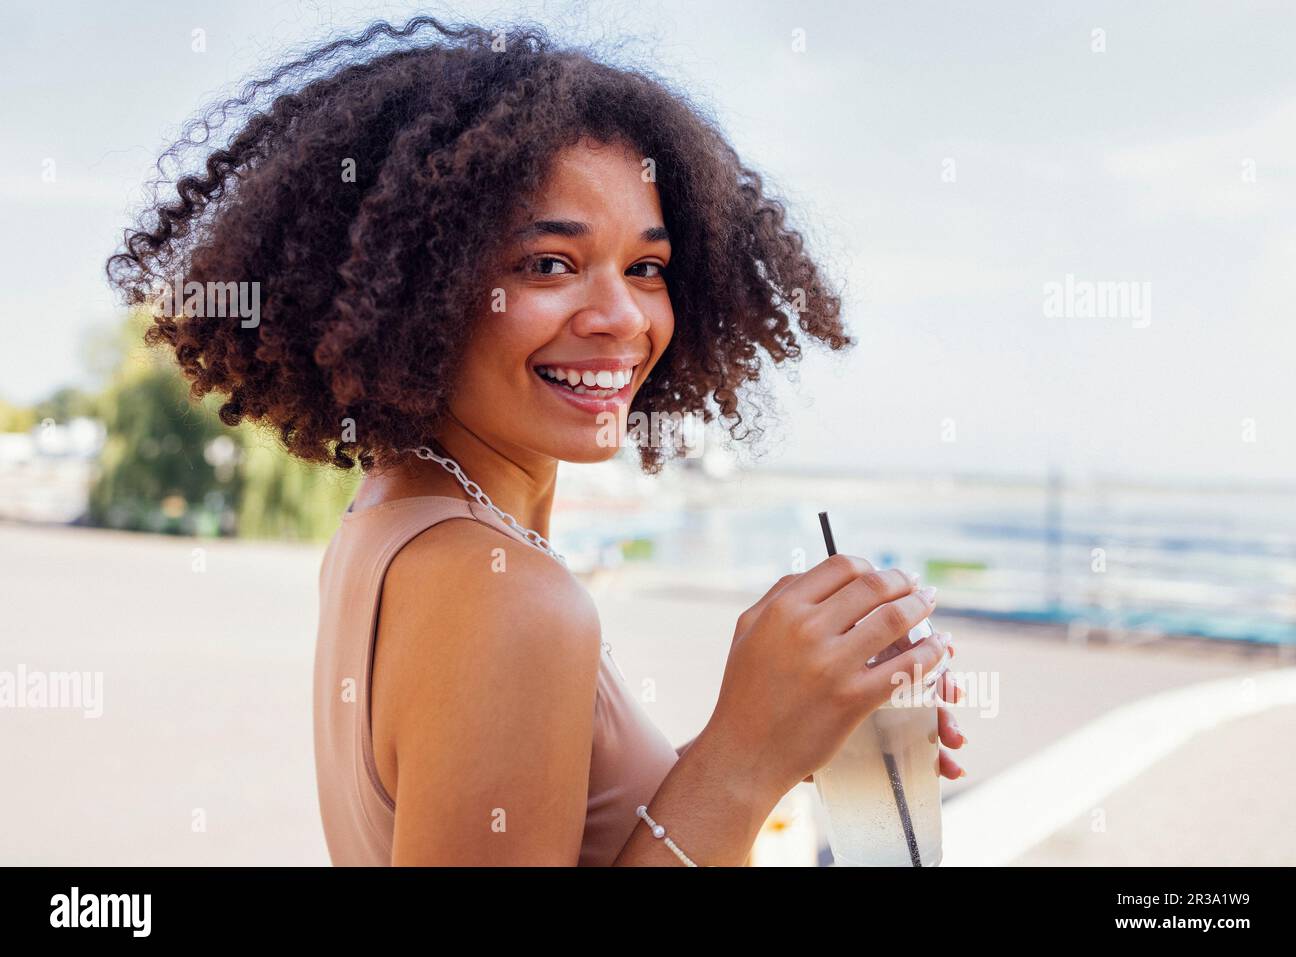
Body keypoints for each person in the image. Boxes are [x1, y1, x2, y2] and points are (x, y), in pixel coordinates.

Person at [106, 15, 966, 866]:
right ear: (425, 288)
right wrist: (742, 757)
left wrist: (798, 721)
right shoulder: (507, 597)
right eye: (549, 264)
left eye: (647, 268)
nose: (622, 316)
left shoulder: (397, 523)